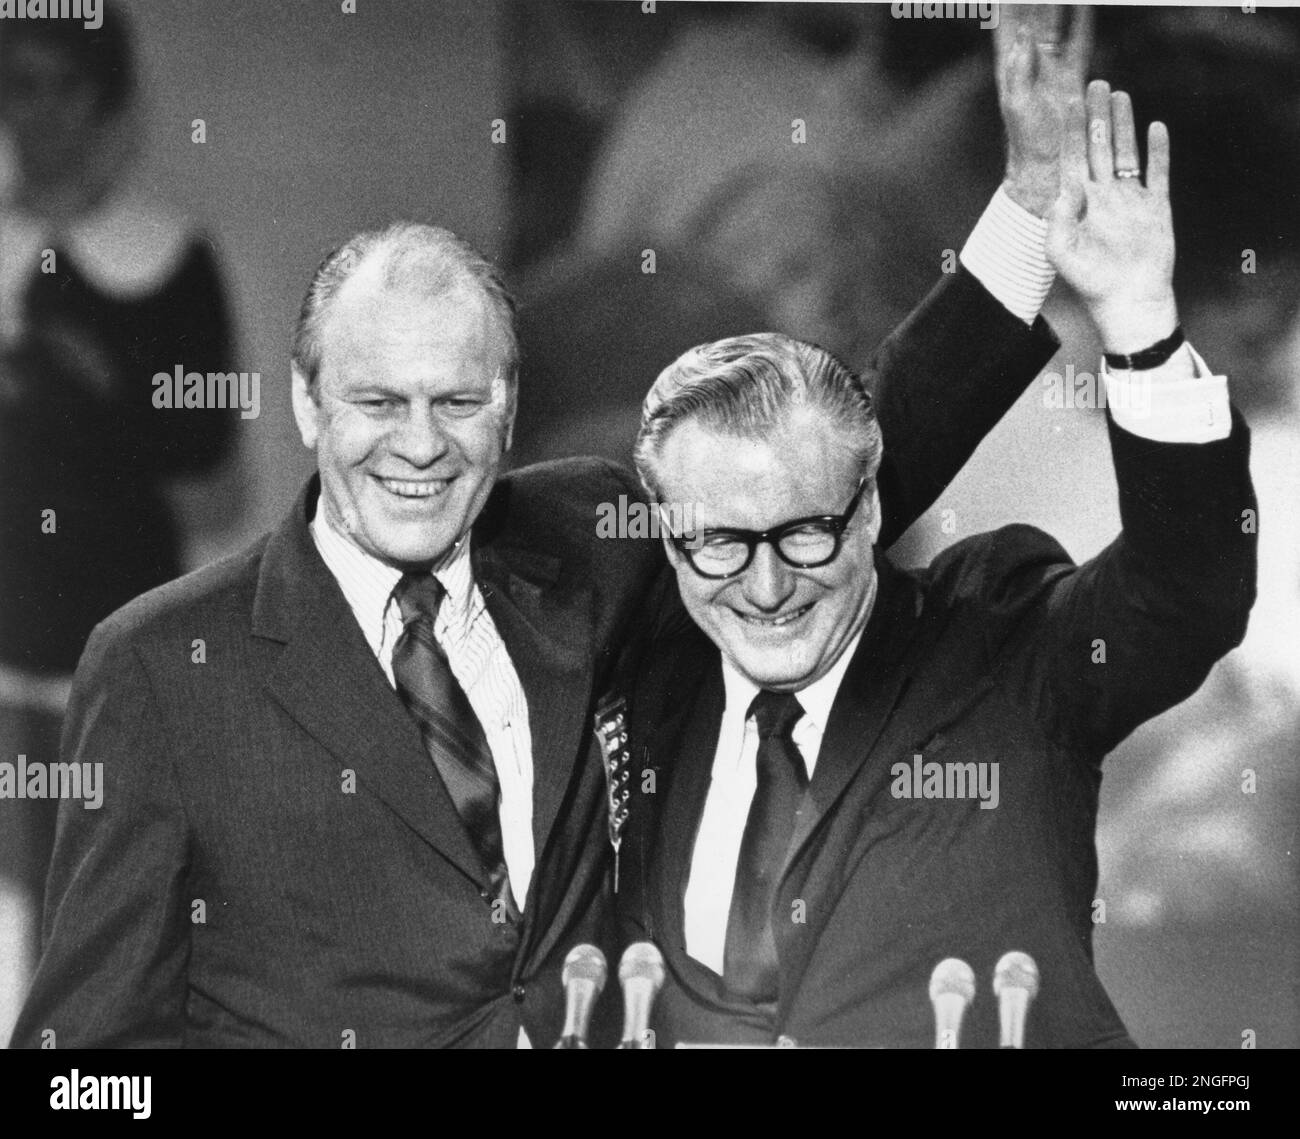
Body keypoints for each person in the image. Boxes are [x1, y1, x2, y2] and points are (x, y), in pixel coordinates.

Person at [11, 14, 1079, 1048]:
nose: (419, 445)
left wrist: (1026, 215)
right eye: (378, 402)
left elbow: (847, 455)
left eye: (458, 402)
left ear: (510, 410)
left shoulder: (585, 542)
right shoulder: (165, 665)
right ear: (307, 407)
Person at [615, 81, 1258, 1048]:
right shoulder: (634, 693)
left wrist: (1137, 319)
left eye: (806, 533)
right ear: (670, 540)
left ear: (872, 507)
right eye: (718, 543)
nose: (766, 585)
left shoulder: (996, 647)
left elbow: (1185, 592)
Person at [0, 9, 237, 1044]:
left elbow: (210, 486)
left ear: (108, 103)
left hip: (110, 649)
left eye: (63, 85)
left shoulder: (170, 261)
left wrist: (98, 382)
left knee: (100, 925)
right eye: (16, 84)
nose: (38, 113)